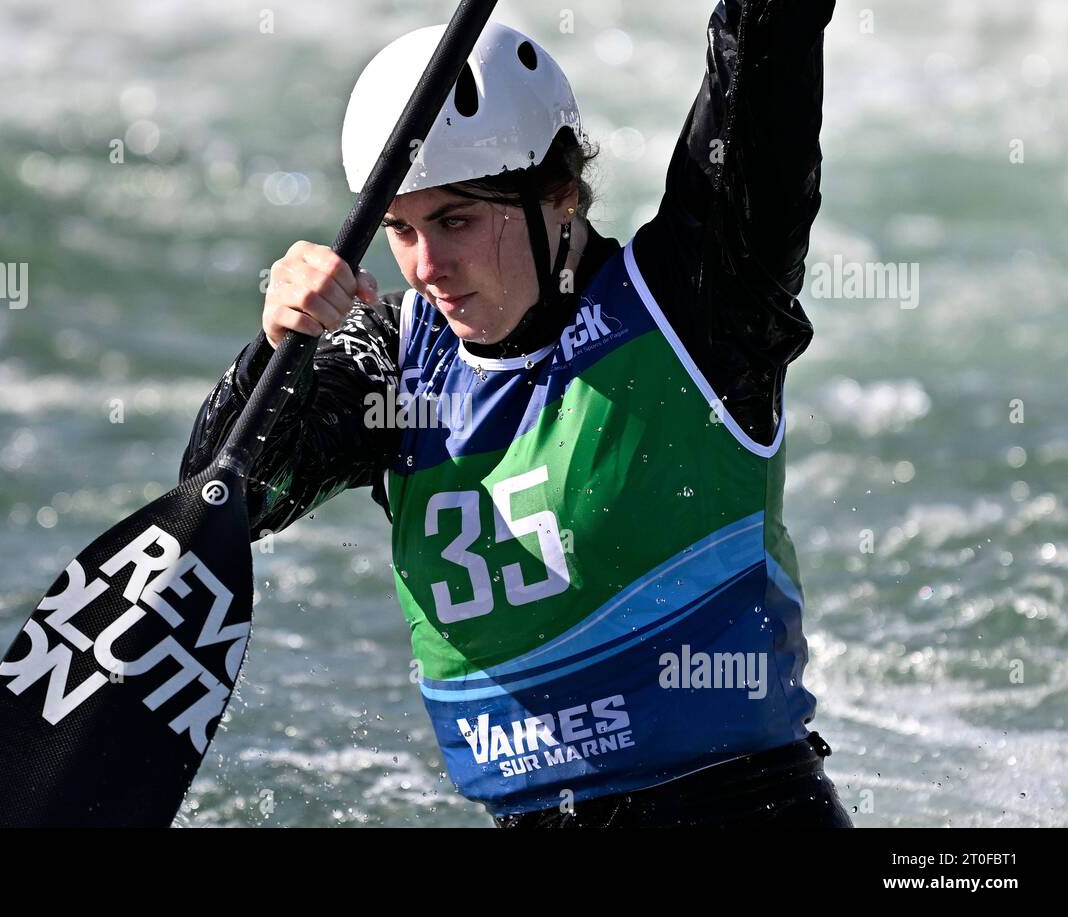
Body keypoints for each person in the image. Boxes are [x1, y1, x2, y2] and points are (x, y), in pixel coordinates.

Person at [181, 1, 852, 828]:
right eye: (401, 228)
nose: (428, 266)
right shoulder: (396, 362)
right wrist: (274, 349)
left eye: (457, 220)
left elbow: (767, 58)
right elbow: (224, 503)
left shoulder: (699, 306)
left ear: (561, 194)